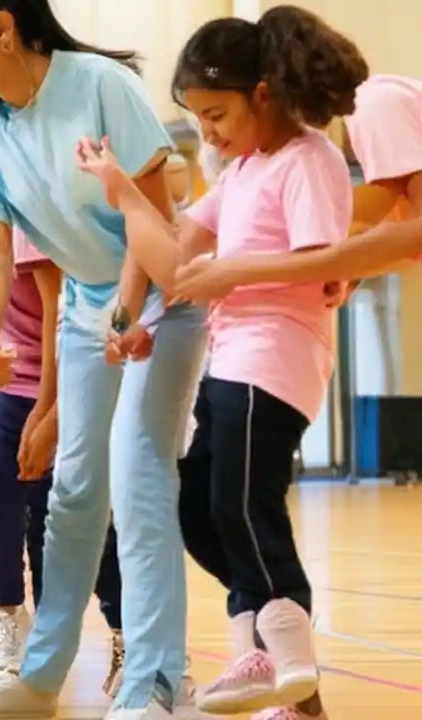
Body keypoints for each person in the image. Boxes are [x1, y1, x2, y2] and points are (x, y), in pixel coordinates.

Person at [77, 8, 368, 719]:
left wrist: (231, 271)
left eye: (215, 114)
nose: (205, 132)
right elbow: (176, 250)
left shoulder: (309, 159)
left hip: (276, 358)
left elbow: (320, 264)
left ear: (263, 94)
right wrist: (133, 312)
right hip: (233, 359)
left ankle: (289, 652)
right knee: (199, 506)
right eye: (197, 118)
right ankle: (274, 665)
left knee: (241, 502)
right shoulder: (241, 172)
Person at [0, 2, 209, 718]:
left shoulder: (101, 85)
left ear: (1, 28)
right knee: (75, 491)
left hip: (160, 300)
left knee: (139, 483)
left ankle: (158, 684)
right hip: (87, 308)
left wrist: (127, 312)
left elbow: (153, 217)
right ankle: (40, 678)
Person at [0, 116, 127, 694]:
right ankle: (11, 615)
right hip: (11, 387)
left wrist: (50, 411)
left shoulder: (30, 223)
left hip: (63, 380)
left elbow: (55, 318)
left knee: (72, 505)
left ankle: (122, 634)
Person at [174, 73, 422, 301]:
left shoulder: (372, 103)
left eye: (217, 115)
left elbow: (402, 228)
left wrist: (247, 263)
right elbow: (388, 241)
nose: (208, 133)